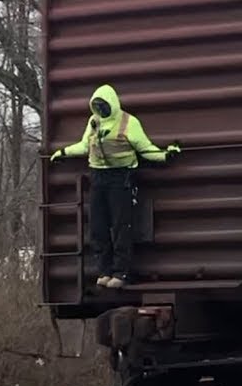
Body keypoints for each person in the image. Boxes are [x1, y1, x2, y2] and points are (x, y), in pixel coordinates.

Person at [49, 84, 180, 289]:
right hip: (98, 178)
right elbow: (84, 145)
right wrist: (63, 152)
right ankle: (104, 271)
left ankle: (122, 272)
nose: (100, 110)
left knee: (121, 226)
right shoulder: (94, 122)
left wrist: (164, 155)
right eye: (97, 106)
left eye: (103, 106)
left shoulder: (128, 122)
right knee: (98, 227)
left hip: (121, 178)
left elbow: (145, 148)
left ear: (112, 104)